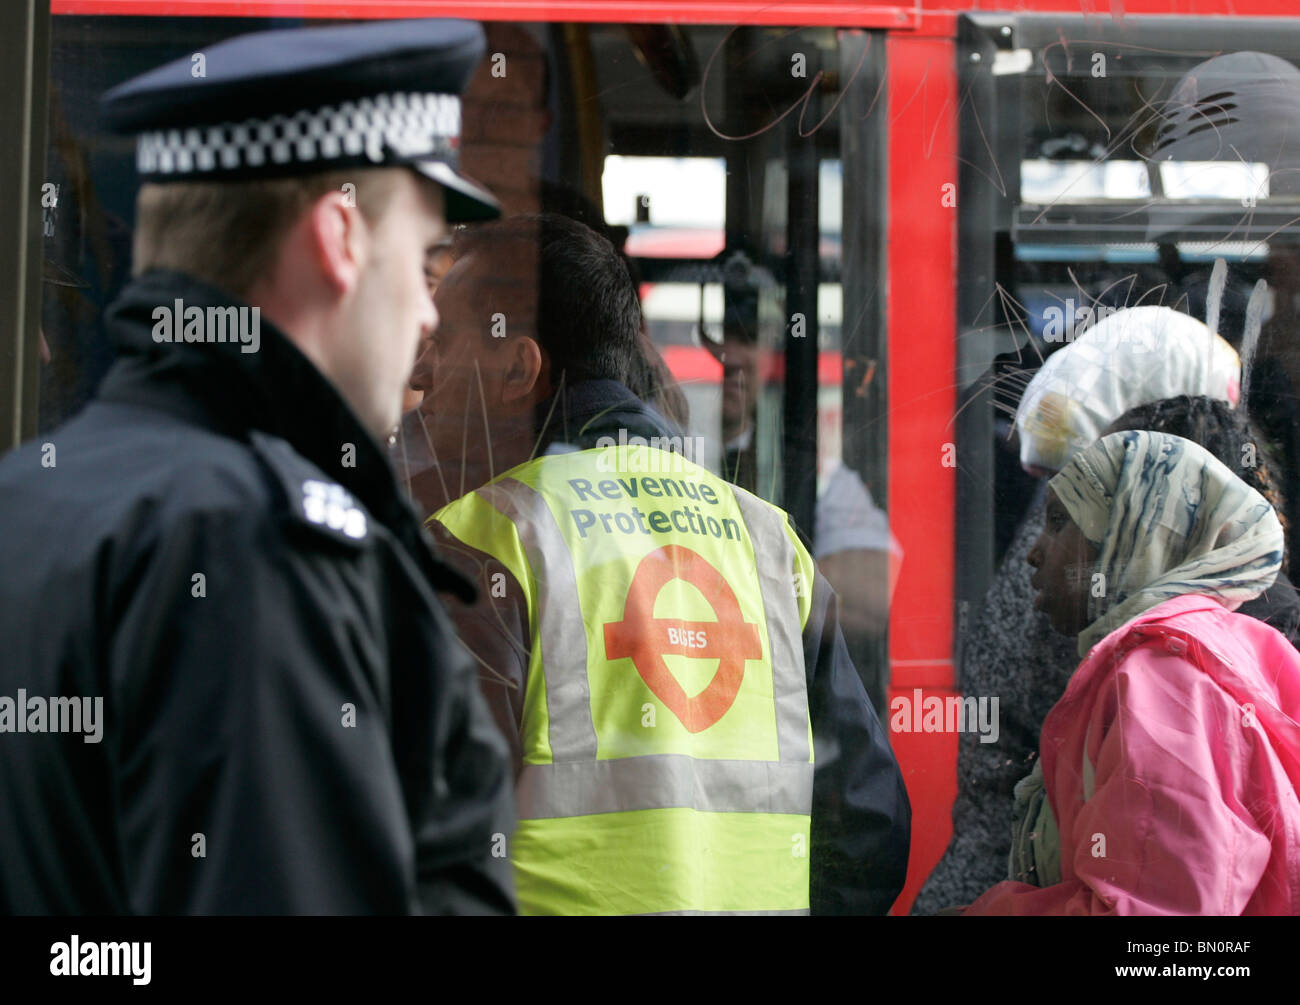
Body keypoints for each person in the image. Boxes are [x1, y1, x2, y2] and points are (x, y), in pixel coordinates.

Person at [0, 19, 515, 914]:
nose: (429, 317)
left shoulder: (26, 496)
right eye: (423, 262)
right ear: (341, 236)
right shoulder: (259, 547)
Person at [414, 213, 911, 915]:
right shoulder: (769, 539)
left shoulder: (480, 541)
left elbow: (431, 842)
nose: (419, 372)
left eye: (440, 341)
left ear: (519, 368)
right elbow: (869, 829)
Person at [963, 430, 1300, 914]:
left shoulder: (1159, 678)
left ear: (1129, 539)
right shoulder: (1216, 647)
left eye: (1060, 523)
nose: (1034, 553)